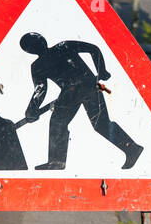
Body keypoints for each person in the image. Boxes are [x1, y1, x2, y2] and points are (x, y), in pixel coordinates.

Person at [19, 32, 143, 170]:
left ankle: (56, 162)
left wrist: (32, 109)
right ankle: (132, 148)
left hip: (73, 93)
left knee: (58, 122)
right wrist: (32, 108)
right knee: (100, 124)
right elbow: (41, 88)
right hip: (86, 87)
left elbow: (41, 89)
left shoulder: (53, 54)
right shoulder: (59, 49)